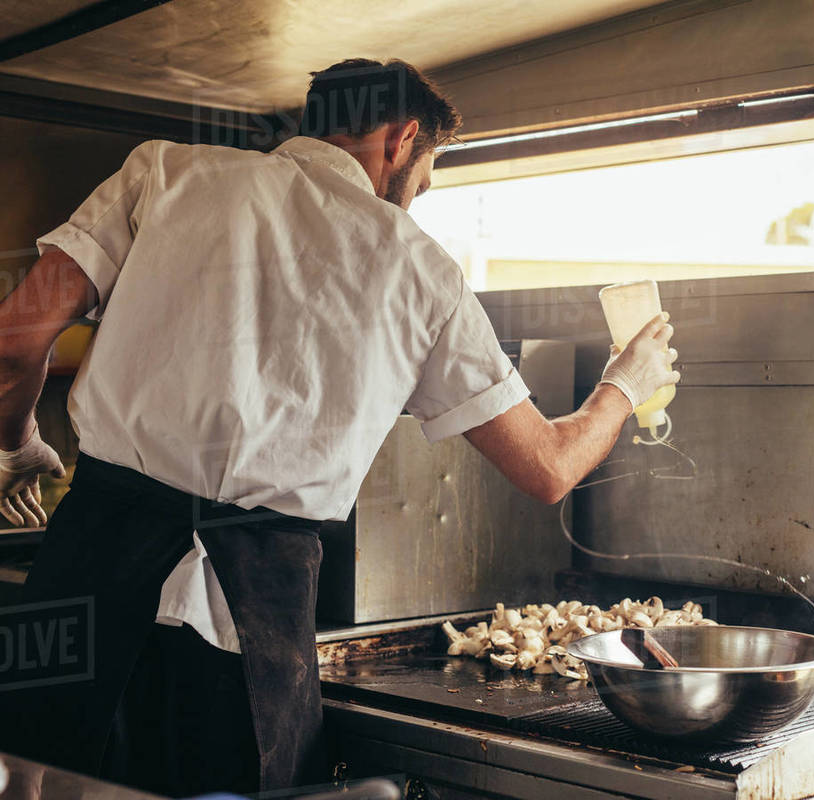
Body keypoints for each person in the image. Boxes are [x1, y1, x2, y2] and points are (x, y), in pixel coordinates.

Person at [0, 58, 678, 796]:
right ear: (402, 139)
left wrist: (17, 441)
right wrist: (625, 382)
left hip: (84, 581)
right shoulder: (420, 269)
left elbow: (14, 341)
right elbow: (548, 466)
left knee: (39, 777)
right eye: (423, 180)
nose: (414, 203)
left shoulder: (167, 171)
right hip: (248, 624)